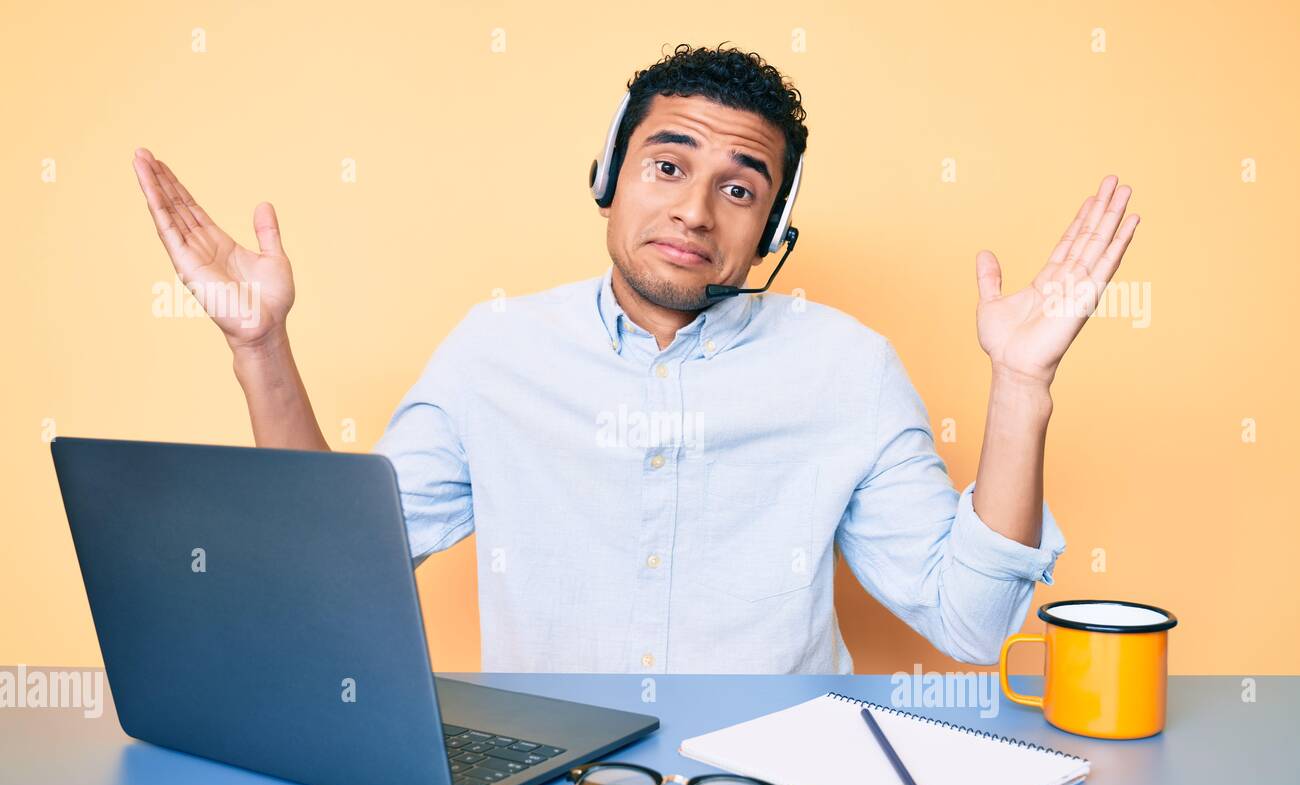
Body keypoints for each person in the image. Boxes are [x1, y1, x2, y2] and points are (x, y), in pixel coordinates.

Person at [130, 43, 1139, 674]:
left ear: (772, 226)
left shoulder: (849, 368)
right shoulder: (497, 351)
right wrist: (258, 343)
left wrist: (1022, 385)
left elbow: (969, 621)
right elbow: (327, 566)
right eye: (666, 165)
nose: (694, 211)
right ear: (611, 177)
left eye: (740, 188)